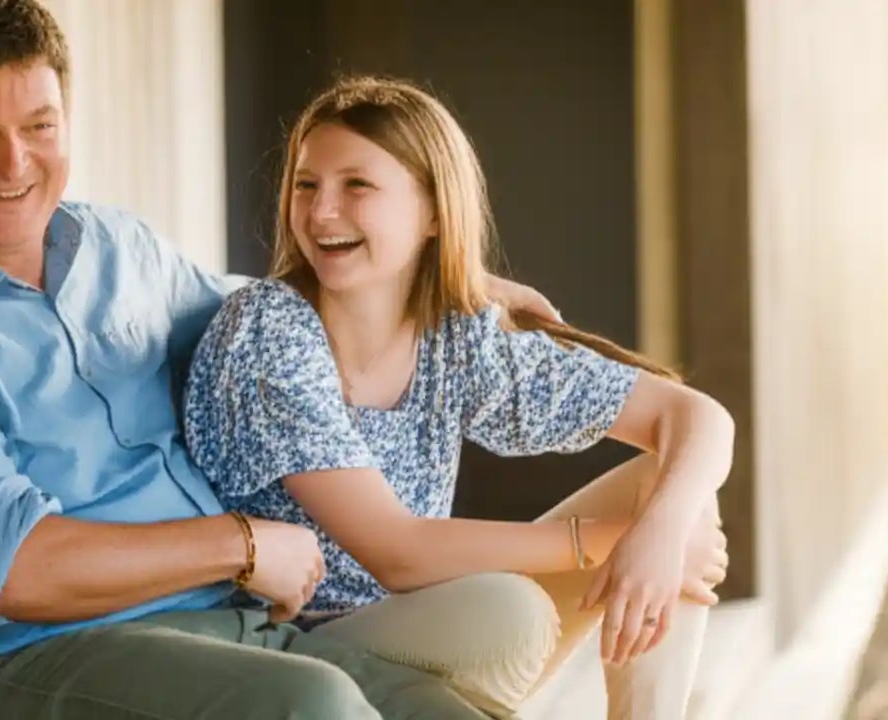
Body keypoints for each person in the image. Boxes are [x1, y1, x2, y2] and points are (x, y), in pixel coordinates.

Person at [0, 2, 558, 717]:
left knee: (433, 708)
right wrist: (239, 545)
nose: (14, 162)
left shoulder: (115, 249)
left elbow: (283, 317)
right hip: (39, 656)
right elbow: (14, 572)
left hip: (229, 628)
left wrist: (432, 282)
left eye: (39, 127)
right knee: (316, 704)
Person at [182, 76, 734, 719]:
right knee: (509, 612)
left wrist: (662, 535)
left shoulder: (456, 334)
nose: (321, 211)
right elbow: (397, 553)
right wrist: (622, 542)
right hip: (299, 652)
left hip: (432, 629)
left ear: (434, 212)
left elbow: (695, 415)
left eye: (356, 186)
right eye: (306, 185)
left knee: (676, 495)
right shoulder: (268, 329)